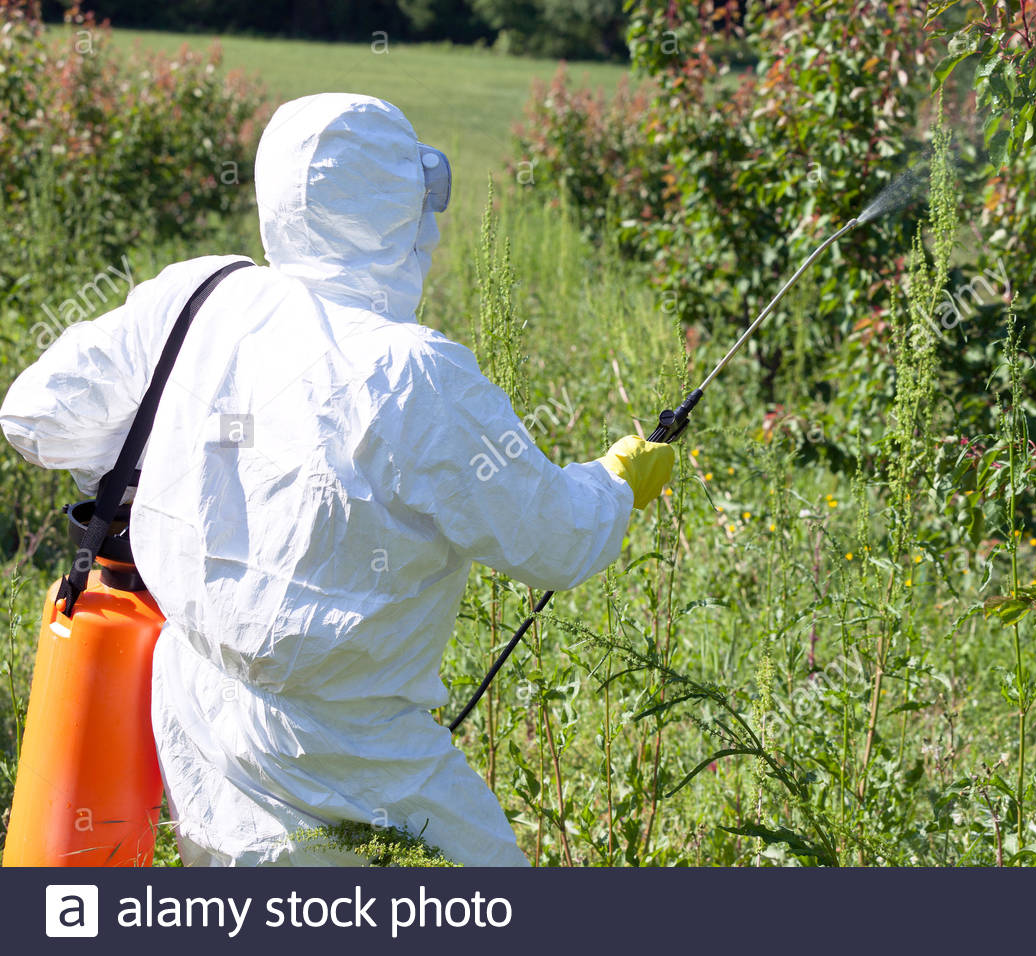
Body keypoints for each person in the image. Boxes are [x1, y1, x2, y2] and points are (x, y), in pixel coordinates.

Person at [0, 93, 674, 866]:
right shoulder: (414, 374)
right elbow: (557, 541)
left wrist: (174, 477)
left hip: (194, 698)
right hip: (351, 753)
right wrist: (616, 481)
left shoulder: (203, 294)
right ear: (400, 207)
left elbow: (35, 414)